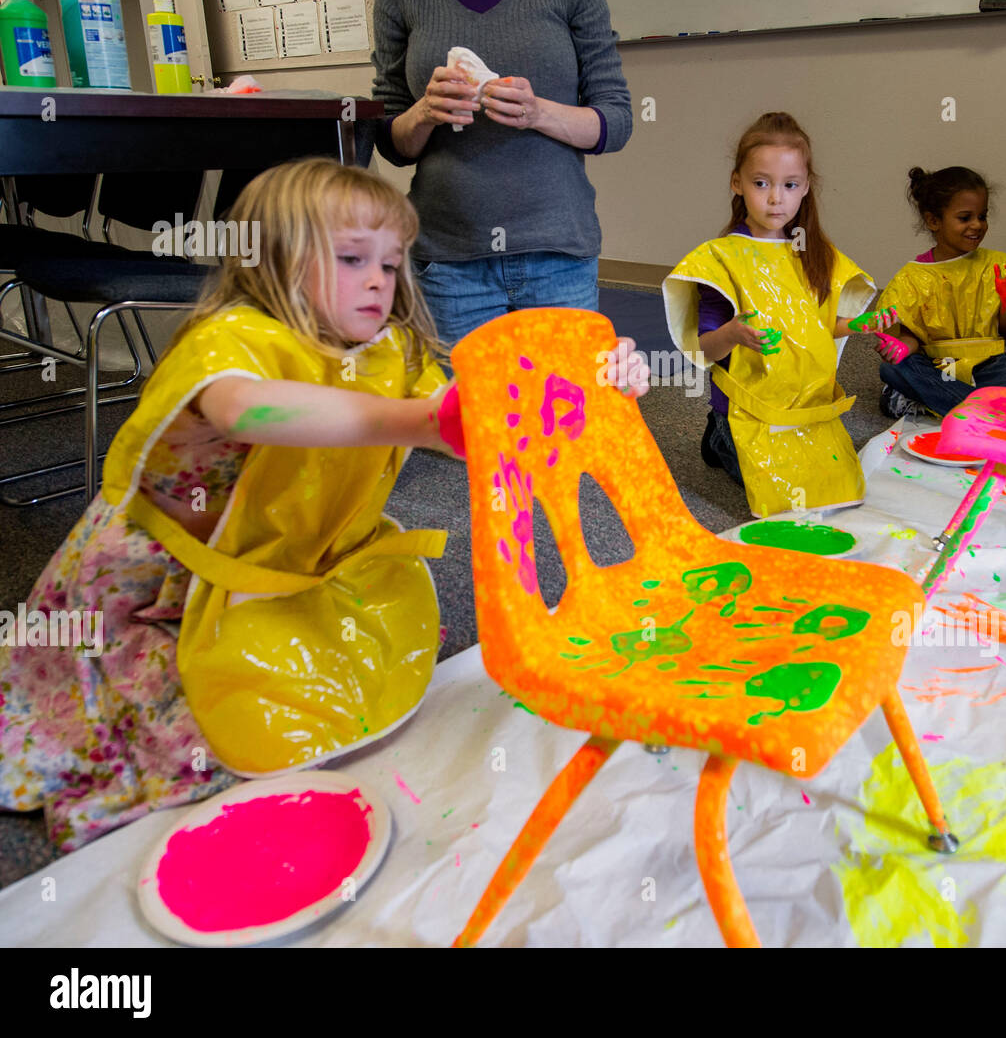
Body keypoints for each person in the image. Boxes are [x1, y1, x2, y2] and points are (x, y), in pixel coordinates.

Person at [0, 157, 649, 851]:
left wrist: (593, 381)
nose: (379, 280)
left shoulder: (385, 347)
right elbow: (252, 411)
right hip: (161, 584)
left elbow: (471, 416)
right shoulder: (231, 337)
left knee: (315, 702)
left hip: (276, 564)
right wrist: (418, 422)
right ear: (273, 260)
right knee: (202, 744)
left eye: (392, 264)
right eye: (351, 258)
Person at [371, 0, 633, 345]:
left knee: (560, 428)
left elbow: (615, 122)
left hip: (557, 257)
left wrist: (539, 113)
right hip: (448, 263)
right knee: (460, 429)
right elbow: (393, 141)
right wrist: (424, 112)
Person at [663, 112, 880, 518]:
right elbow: (704, 348)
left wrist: (859, 325)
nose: (776, 198)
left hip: (803, 409)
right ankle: (717, 435)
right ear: (737, 183)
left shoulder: (813, 255)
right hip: (745, 413)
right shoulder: (721, 260)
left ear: (806, 188)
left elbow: (816, 329)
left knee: (838, 490)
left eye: (790, 185)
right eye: (761, 183)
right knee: (785, 501)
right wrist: (733, 332)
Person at [874, 166, 1006, 418]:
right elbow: (911, 337)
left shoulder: (995, 267)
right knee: (893, 368)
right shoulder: (913, 277)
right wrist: (901, 347)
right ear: (934, 221)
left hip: (985, 367)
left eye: (982, 216)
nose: (977, 225)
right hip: (940, 367)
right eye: (965, 218)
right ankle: (980, 410)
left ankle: (940, 404)